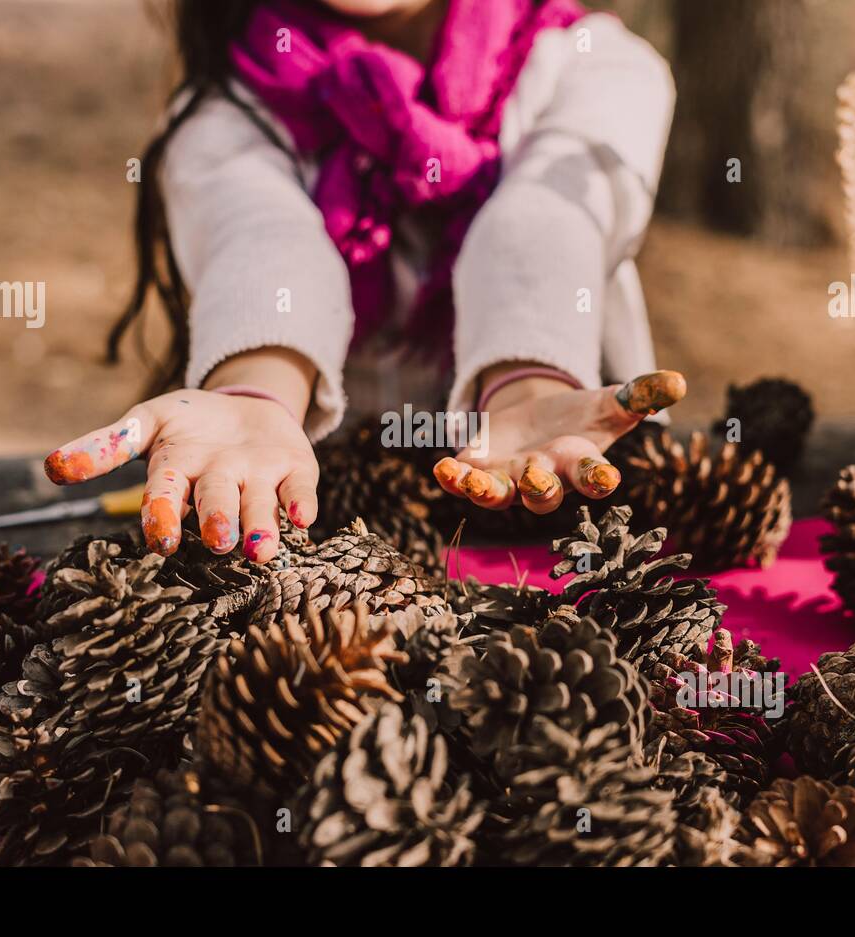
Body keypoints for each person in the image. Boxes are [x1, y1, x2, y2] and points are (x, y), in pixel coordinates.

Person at [44, 0, 682, 563]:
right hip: (326, 538)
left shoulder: (600, 68)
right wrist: (254, 401)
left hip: (565, 532)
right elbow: (264, 237)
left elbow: (543, 222)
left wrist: (526, 390)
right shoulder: (228, 110)